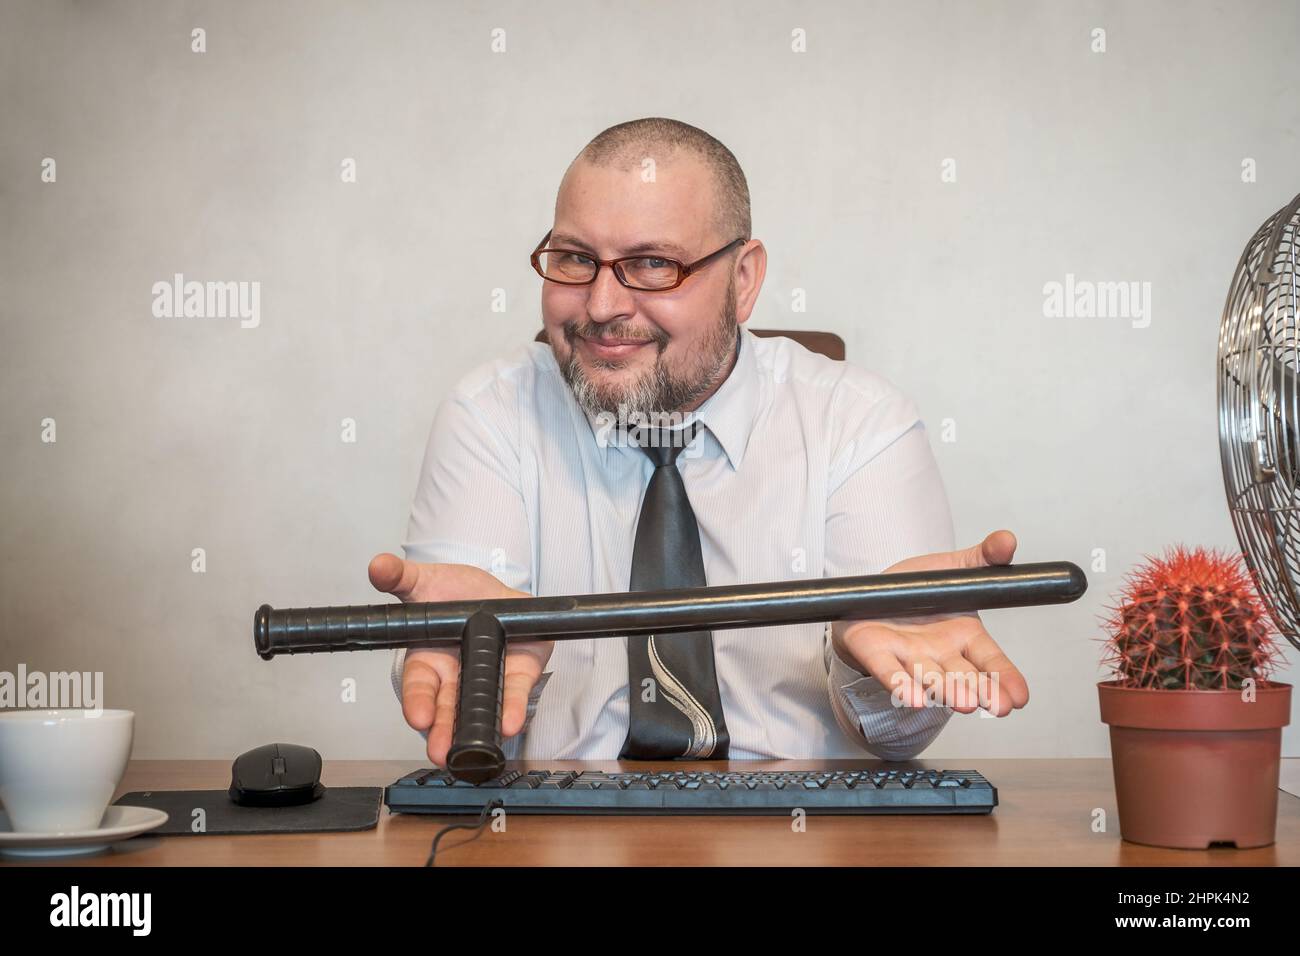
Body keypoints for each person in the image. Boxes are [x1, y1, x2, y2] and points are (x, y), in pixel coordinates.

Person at [370, 117, 1027, 768]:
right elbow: (466, 727)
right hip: (557, 833)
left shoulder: (862, 423)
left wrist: (868, 664)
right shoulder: (489, 413)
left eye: (652, 264)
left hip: (801, 834)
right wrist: (481, 676)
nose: (600, 306)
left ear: (743, 279)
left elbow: (896, 742)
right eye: (574, 259)